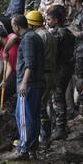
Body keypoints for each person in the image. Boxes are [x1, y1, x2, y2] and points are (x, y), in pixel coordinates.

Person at [6, 14, 45, 161]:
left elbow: (30, 64)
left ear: (17, 26)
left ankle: (22, 149)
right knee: (33, 116)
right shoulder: (34, 37)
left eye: (12, 25)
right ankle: (32, 149)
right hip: (37, 83)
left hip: (28, 84)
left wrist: (24, 82)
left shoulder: (28, 40)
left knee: (23, 116)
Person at [46, 6, 76, 140]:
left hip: (61, 67)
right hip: (66, 66)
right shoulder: (67, 32)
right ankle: (60, 125)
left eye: (49, 19)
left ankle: (60, 127)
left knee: (58, 96)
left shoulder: (59, 34)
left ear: (56, 20)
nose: (47, 21)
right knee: (59, 95)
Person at [28, 11, 57, 144]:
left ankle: (44, 136)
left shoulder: (38, 36)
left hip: (43, 74)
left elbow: (34, 59)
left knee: (40, 106)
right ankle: (45, 135)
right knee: (44, 104)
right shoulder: (49, 34)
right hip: (51, 72)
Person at [0, 26, 19, 115]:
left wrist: (6, 49)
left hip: (23, 73)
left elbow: (15, 37)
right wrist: (4, 80)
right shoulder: (2, 51)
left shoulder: (10, 37)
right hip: (14, 74)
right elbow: (9, 66)